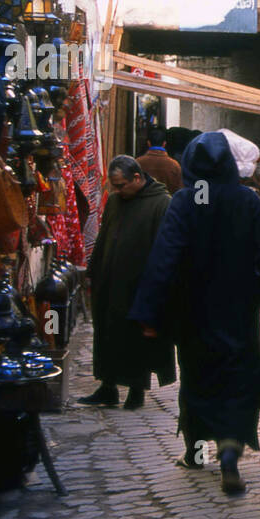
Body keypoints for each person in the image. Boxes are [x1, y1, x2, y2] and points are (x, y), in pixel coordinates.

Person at [128, 131, 260, 495]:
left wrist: (149, 313)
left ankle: (196, 450)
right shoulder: (247, 202)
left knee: (200, 378)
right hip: (239, 311)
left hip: (194, 314)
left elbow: (164, 260)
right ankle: (231, 451)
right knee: (238, 376)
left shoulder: (186, 202)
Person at [79, 156, 176, 410]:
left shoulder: (161, 203)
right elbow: (105, 236)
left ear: (137, 178)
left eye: (121, 185)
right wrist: (94, 272)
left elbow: (165, 249)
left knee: (136, 339)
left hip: (139, 285)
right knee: (107, 334)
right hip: (110, 281)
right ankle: (108, 387)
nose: (118, 191)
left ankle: (136, 391)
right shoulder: (114, 202)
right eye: (114, 186)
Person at [136, 128, 183, 194]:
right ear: (164, 144)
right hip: (167, 203)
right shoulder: (174, 165)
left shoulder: (138, 163)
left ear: (148, 143)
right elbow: (180, 190)